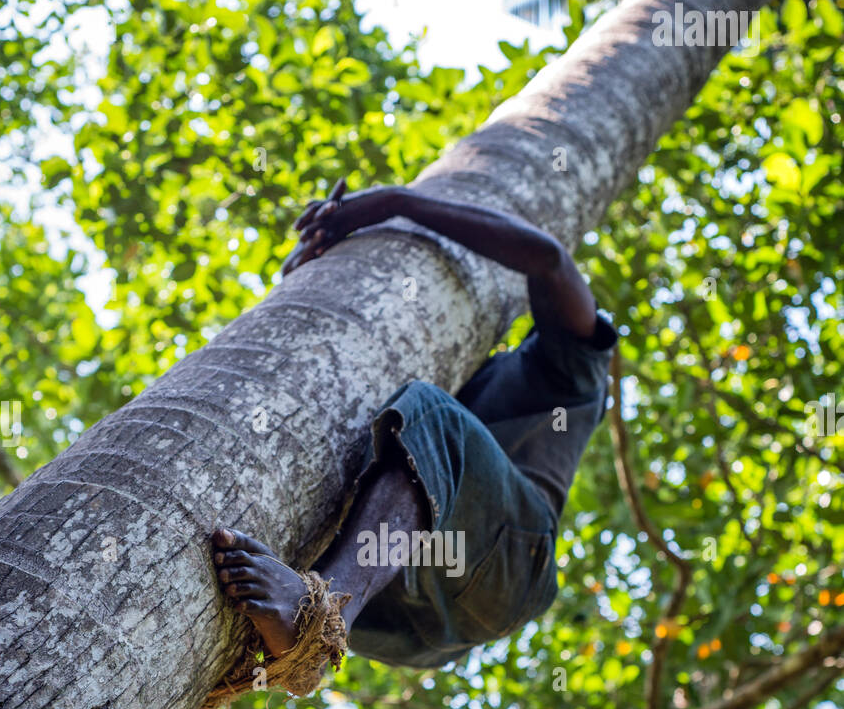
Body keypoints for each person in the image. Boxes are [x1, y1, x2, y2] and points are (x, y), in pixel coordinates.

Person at [211, 177, 617, 679]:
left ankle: (319, 617)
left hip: (509, 564)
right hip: (416, 612)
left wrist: (392, 202)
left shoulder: (579, 371)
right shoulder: (482, 383)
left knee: (433, 415)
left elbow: (549, 259)